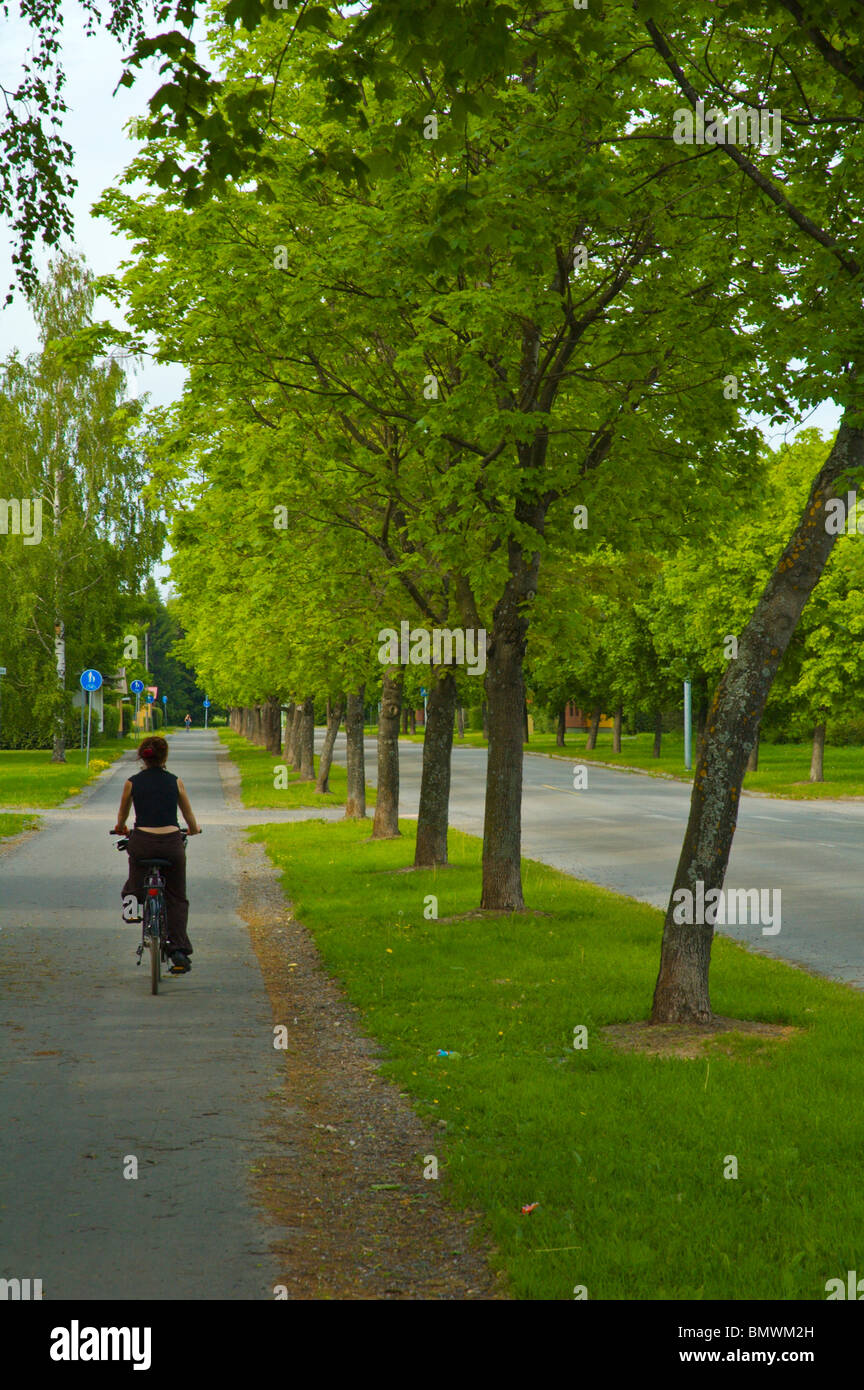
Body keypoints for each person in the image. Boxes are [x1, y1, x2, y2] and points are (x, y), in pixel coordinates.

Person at [111, 735, 201, 974]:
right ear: (165, 756)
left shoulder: (132, 782)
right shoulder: (175, 781)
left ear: (143, 756)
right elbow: (189, 816)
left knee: (135, 878)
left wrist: (121, 827)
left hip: (143, 842)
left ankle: (131, 906)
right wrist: (193, 829)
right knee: (176, 897)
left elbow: (122, 816)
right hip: (171, 844)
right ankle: (178, 950)